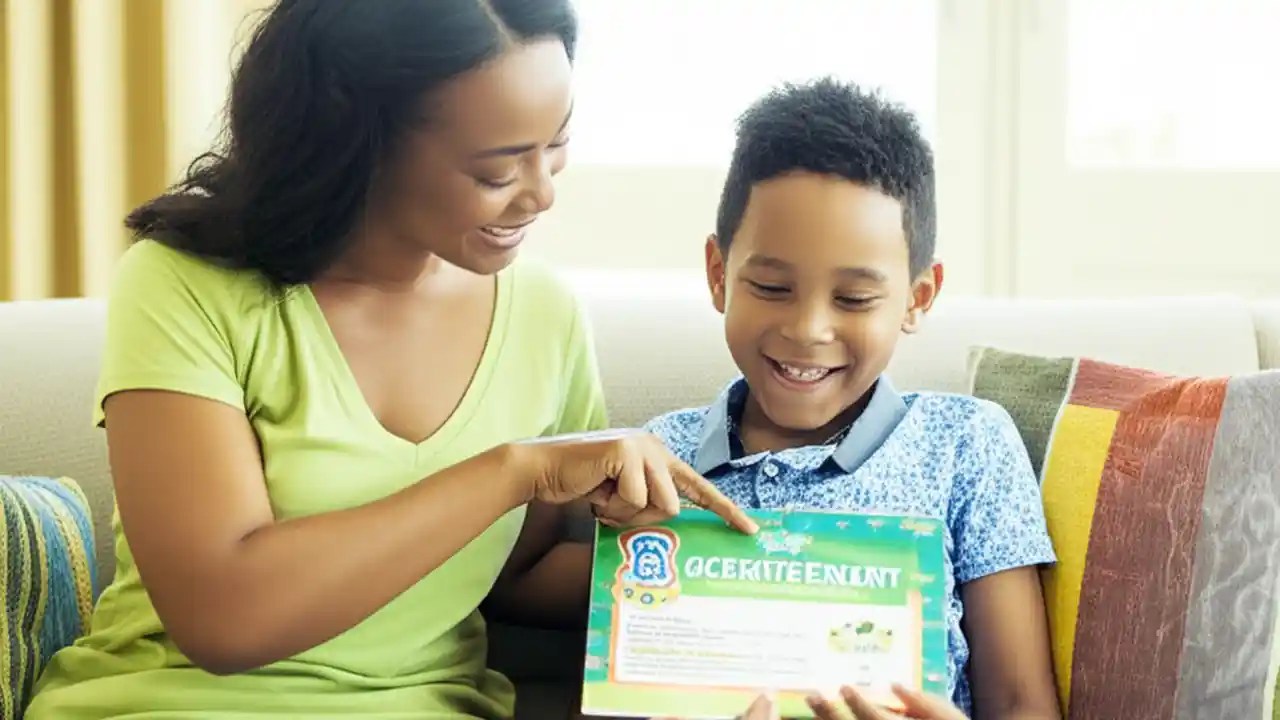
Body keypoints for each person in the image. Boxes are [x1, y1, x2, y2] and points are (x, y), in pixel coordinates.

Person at [22, 2, 756, 718]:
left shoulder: (545, 316)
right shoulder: (184, 286)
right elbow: (222, 618)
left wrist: (748, 573)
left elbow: (517, 577)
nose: (540, 194)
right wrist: (513, 470)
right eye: (497, 170)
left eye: (555, 146)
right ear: (360, 140)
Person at [642, 78, 1062, 719]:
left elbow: (1022, 702)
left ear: (918, 298)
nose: (808, 329)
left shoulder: (964, 444)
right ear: (719, 274)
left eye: (854, 299)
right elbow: (592, 665)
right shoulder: (660, 455)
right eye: (773, 287)